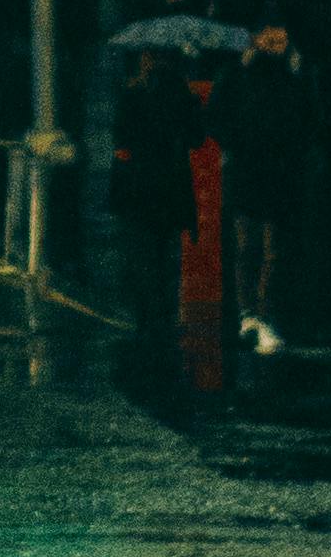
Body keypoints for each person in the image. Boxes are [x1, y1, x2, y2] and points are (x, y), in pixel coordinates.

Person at [213, 23, 313, 339]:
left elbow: (311, 117)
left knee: (272, 248)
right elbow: (216, 116)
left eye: (281, 39)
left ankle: (262, 311)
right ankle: (249, 313)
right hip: (250, 168)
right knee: (248, 245)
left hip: (275, 170)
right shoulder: (238, 75)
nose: (275, 45)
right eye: (269, 38)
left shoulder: (294, 76)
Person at [109, 49, 202, 341]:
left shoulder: (133, 95)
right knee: (166, 255)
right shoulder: (182, 97)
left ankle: (147, 316)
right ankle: (165, 315)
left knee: (142, 254)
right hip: (171, 188)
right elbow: (196, 139)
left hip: (138, 188)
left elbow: (121, 138)